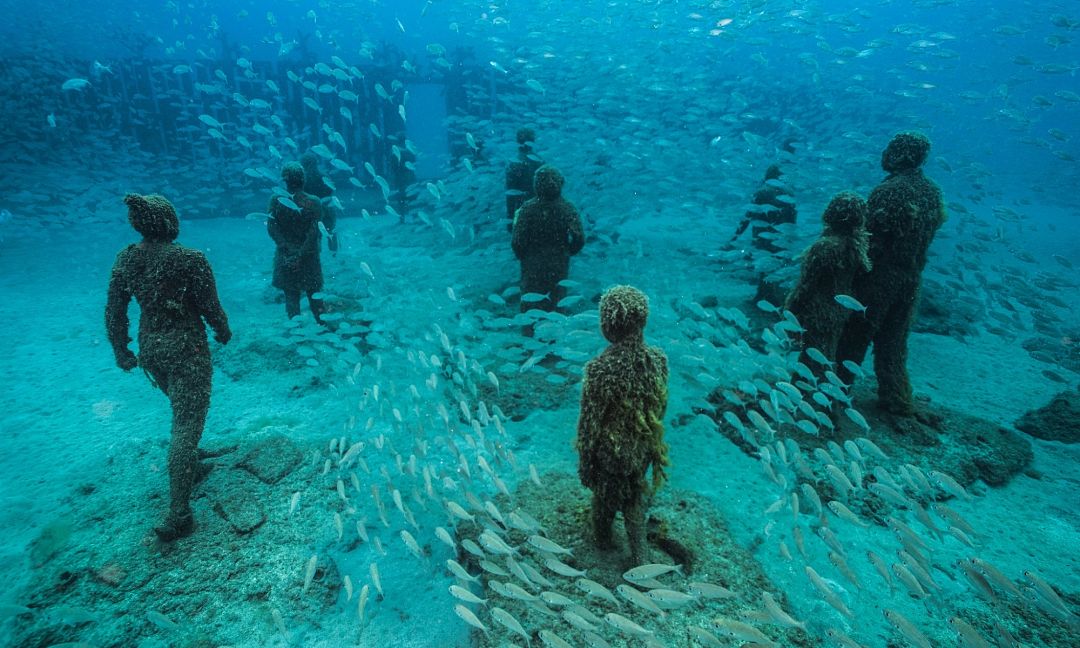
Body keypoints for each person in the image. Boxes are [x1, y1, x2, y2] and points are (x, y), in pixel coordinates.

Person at [105, 193, 231, 541]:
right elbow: (210, 305)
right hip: (186, 348)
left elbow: (115, 310)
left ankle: (192, 460)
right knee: (186, 424)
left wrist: (121, 350)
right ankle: (179, 514)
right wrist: (222, 330)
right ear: (169, 222)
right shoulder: (190, 259)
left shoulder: (126, 258)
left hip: (152, 350)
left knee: (181, 409)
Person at [835, 132, 947, 419]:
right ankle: (896, 399)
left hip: (881, 277)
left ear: (901, 154)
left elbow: (872, 239)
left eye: (890, 148)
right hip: (911, 278)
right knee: (894, 342)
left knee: (855, 334)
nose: (884, 153)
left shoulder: (890, 191)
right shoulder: (932, 191)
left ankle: (833, 394)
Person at [576, 285, 669, 565]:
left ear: (607, 324)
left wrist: (586, 462)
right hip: (642, 449)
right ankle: (640, 554)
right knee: (634, 500)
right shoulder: (658, 361)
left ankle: (604, 544)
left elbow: (589, 425)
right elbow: (659, 408)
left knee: (604, 503)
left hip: (610, 455)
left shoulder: (599, 369)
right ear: (643, 320)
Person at [784, 191, 872, 371]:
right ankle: (824, 393)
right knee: (826, 352)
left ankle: (812, 395)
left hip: (818, 310)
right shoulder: (856, 245)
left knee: (813, 358)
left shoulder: (825, 247)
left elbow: (806, 284)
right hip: (840, 309)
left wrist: (792, 309)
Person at [510, 165, 585, 313]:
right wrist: (567, 252)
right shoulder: (568, 207)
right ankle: (555, 334)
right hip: (558, 262)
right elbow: (579, 238)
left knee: (531, 303)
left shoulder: (527, 208)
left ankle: (529, 332)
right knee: (557, 301)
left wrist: (523, 256)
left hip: (532, 264)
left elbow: (517, 241)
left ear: (536, 184)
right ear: (561, 183)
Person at [268, 162, 325, 323]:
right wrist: (301, 255)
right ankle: (323, 327)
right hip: (309, 256)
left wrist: (287, 249)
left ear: (284, 180)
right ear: (303, 178)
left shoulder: (276, 199)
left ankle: (297, 335)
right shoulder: (314, 201)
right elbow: (314, 232)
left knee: (291, 297)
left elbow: (272, 228)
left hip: (286, 255)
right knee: (315, 295)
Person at [729, 164, 797, 253]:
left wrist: (733, 239)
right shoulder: (789, 194)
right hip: (782, 242)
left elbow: (747, 218)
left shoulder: (761, 192)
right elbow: (792, 220)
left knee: (760, 263)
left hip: (762, 240)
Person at [299, 152, 339, 254]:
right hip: (327, 209)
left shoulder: (303, 180)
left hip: (313, 211)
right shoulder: (324, 176)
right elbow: (331, 192)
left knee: (315, 234)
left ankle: (321, 253)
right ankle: (334, 253)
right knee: (330, 229)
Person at [505, 127, 544, 229]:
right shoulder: (540, 161)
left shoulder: (513, 163)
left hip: (522, 211)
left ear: (517, 141)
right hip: (542, 210)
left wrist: (510, 218)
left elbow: (510, 193)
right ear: (533, 141)